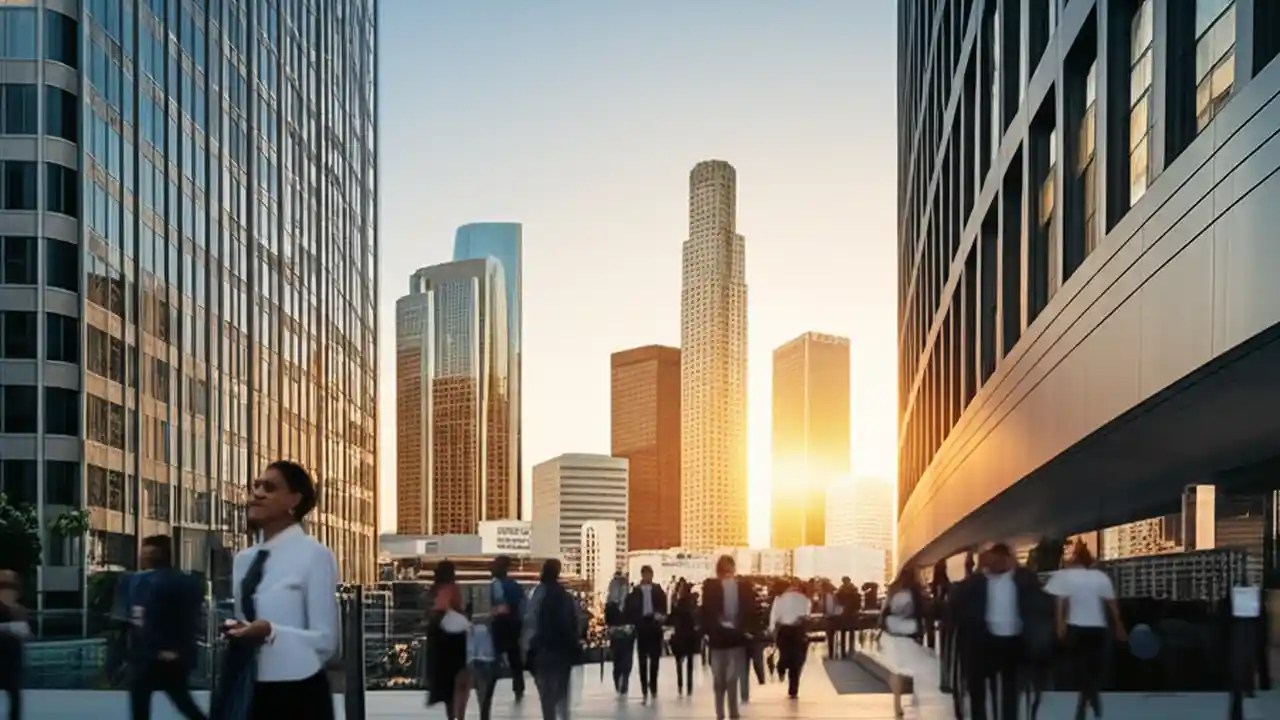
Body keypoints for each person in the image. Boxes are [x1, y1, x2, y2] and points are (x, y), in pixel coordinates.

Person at [210, 460, 339, 720]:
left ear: (294, 500)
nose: (256, 494)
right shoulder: (243, 559)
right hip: (245, 687)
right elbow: (244, 623)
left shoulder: (314, 555)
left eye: (269, 487)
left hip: (298, 693)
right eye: (255, 486)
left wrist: (271, 631)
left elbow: (326, 641)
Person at [952, 543, 1046, 720]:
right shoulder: (978, 582)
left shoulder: (1022, 579)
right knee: (977, 688)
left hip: (1013, 640)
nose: (995, 565)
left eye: (999, 561)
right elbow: (958, 600)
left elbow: (1037, 600)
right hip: (983, 640)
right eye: (992, 561)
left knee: (1010, 688)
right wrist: (978, 570)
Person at [1044, 541, 1124, 720]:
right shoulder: (1099, 577)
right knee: (1093, 668)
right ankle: (1090, 699)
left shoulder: (1064, 576)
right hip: (1097, 628)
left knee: (1080, 668)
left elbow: (1060, 603)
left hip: (1075, 627)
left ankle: (1085, 703)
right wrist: (1119, 627)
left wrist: (1060, 626)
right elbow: (1112, 605)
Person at [130, 535, 206, 720]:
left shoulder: (165, 582)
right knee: (178, 697)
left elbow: (184, 617)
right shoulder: (174, 580)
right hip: (159, 652)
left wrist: (172, 648)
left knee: (150, 695)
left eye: (145, 553)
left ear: (155, 554)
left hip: (163, 653)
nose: (141, 557)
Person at [701, 555, 755, 720]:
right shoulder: (711, 588)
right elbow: (707, 612)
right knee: (720, 681)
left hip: (734, 639)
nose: (727, 573)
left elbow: (749, 610)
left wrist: (745, 629)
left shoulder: (743, 588)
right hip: (719, 640)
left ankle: (732, 712)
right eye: (724, 570)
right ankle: (721, 713)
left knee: (731, 679)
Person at [527, 559, 580, 720]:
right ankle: (563, 716)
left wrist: (527, 647)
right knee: (562, 690)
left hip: (542, 649)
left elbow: (530, 621)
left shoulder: (537, 593)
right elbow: (574, 622)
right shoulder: (565, 596)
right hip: (562, 650)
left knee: (545, 692)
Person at [426, 561, 470, 719]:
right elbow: (453, 609)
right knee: (460, 679)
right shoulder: (452, 588)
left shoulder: (434, 590)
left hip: (439, 638)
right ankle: (459, 715)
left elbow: (433, 611)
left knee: (446, 682)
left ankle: (451, 715)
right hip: (454, 639)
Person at [882, 566, 926, 718]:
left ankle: (896, 702)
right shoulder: (914, 593)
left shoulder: (893, 591)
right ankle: (915, 697)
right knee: (914, 667)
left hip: (892, 633)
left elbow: (886, 610)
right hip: (909, 634)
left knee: (895, 670)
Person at [624, 565, 668, 700]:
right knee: (642, 658)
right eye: (646, 574)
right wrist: (634, 622)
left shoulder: (658, 590)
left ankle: (653, 685)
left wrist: (661, 616)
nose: (648, 577)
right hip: (642, 626)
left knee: (655, 658)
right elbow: (629, 609)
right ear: (642, 575)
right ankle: (644, 686)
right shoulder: (635, 592)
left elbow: (664, 606)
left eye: (650, 574)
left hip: (655, 625)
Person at [487, 555, 526, 702]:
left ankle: (489, 688)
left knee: (495, 657)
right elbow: (521, 605)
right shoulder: (514, 585)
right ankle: (518, 686)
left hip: (501, 625)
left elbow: (501, 607)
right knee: (514, 657)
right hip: (514, 625)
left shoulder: (496, 585)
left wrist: (492, 614)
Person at [770, 577, 811, 699]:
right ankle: (793, 689)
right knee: (796, 661)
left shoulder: (779, 599)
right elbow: (806, 616)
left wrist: (772, 631)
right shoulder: (805, 599)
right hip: (798, 631)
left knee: (785, 655)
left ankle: (781, 667)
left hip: (784, 630)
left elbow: (774, 616)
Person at [0, 570, 28, 720]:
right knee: (14, 694)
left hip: (11, 658)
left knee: (14, 694)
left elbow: (25, 632)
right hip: (8, 656)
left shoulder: (18, 611)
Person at [668, 582, 700, 696]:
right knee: (690, 663)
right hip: (690, 636)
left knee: (679, 662)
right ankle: (689, 686)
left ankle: (680, 685)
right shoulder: (693, 604)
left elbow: (671, 618)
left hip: (680, 635)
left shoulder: (679, 604)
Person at [604, 573, 634, 695]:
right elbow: (608, 620)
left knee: (627, 659)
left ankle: (624, 680)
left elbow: (634, 615)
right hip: (617, 635)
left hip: (627, 634)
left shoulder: (630, 601)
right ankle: (618, 681)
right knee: (617, 660)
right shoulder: (610, 604)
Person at [467, 614, 500, 720]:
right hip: (490, 659)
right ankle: (485, 714)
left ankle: (484, 713)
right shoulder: (491, 629)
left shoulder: (471, 629)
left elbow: (469, 649)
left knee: (481, 692)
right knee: (487, 693)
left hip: (477, 660)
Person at [836, 577, 862, 658]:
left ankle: (844, 651)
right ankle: (850, 649)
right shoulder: (854, 590)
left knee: (844, 632)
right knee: (851, 632)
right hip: (851, 614)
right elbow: (858, 603)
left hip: (845, 614)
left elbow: (838, 602)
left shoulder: (841, 591)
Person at [821, 580, 843, 659]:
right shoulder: (824, 596)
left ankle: (833, 652)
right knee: (830, 635)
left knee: (832, 635)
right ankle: (831, 652)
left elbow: (838, 606)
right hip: (828, 617)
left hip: (834, 617)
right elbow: (823, 606)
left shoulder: (835, 596)